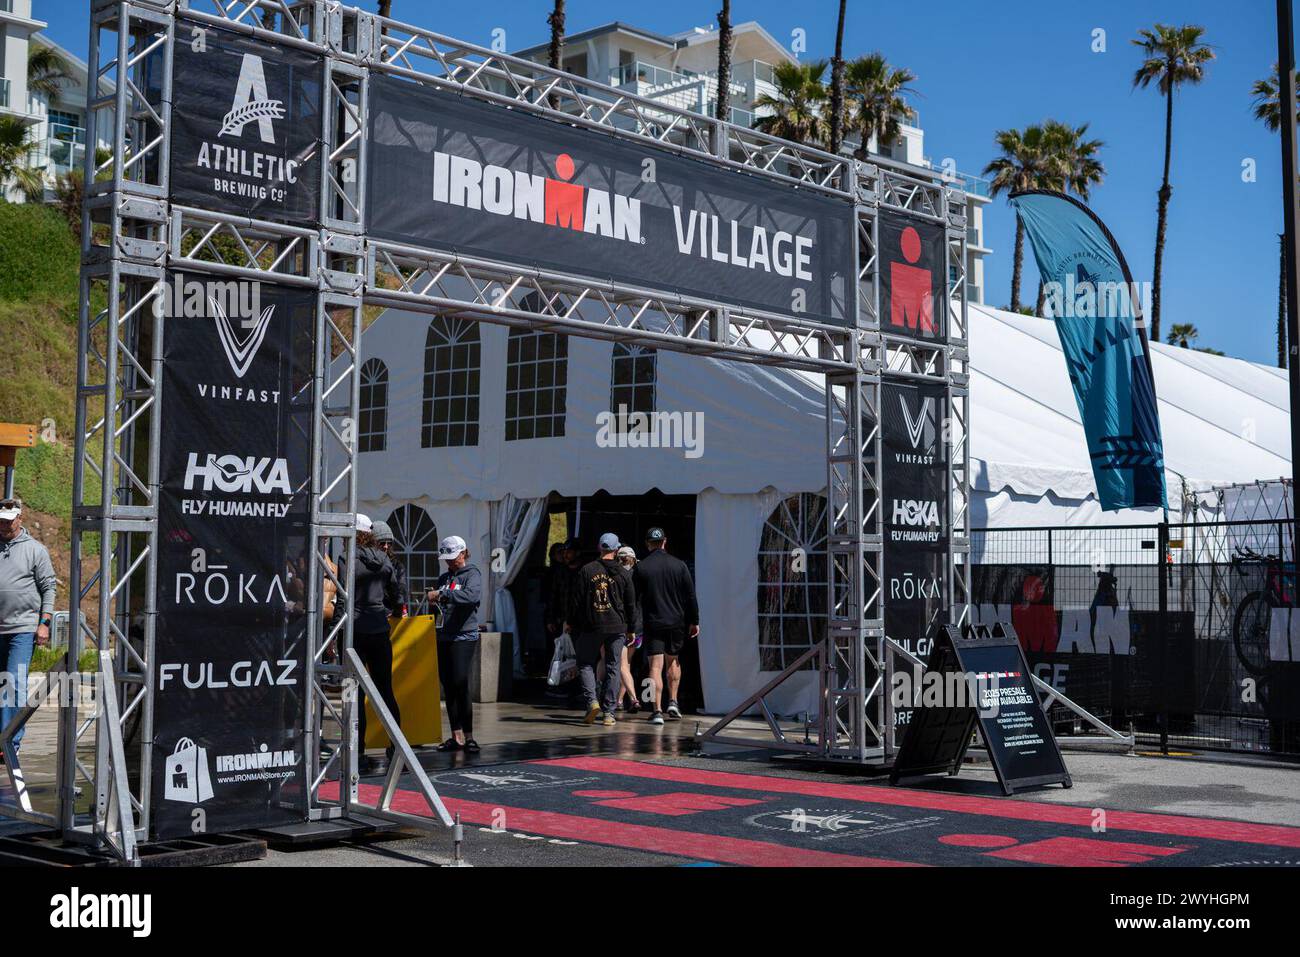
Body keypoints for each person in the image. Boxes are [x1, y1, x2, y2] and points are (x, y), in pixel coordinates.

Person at [341, 514, 400, 775]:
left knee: (354, 694)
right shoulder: (385, 559)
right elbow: (397, 594)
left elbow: (344, 599)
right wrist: (389, 608)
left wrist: (333, 636)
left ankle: (358, 751)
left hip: (355, 630)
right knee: (385, 691)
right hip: (379, 628)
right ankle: (396, 749)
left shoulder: (347, 558)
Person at [0, 497, 56, 762]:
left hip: (22, 629)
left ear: (19, 518)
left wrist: (43, 623)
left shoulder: (35, 550)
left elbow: (49, 587)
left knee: (13, 681)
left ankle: (11, 741)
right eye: (1, 521)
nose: (4, 525)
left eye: (9, 521)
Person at [568, 532, 635, 727]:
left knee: (585, 663)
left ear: (600, 548)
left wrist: (571, 622)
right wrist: (631, 628)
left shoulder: (587, 570)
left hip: (592, 624)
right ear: (616, 550)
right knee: (613, 666)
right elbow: (630, 603)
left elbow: (577, 601)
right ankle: (609, 713)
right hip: (617, 625)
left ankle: (592, 702)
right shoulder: (623, 572)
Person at [633, 527, 699, 725]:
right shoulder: (679, 566)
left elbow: (634, 599)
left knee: (655, 666)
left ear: (647, 544)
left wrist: (632, 626)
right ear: (664, 542)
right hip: (676, 621)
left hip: (653, 621)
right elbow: (690, 596)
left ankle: (657, 710)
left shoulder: (642, 567)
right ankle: (673, 701)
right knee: (673, 661)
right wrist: (694, 621)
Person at [428, 535, 482, 753]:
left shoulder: (472, 574)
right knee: (449, 685)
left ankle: (469, 736)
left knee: (460, 682)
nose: (450, 562)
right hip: (444, 635)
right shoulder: (444, 578)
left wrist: (442, 595)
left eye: (453, 557)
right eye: (447, 559)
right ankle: (456, 734)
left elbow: (472, 596)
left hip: (464, 635)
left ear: (463, 553)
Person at [614, 545, 642, 714]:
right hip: (638, 626)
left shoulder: (616, 576)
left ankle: (631, 698)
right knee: (627, 664)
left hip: (623, 625)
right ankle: (619, 700)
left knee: (622, 665)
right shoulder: (638, 576)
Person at [373, 520, 408, 619]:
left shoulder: (397, 565)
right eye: (382, 543)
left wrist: (399, 611)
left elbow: (401, 591)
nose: (386, 546)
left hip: (392, 615)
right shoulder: (365, 564)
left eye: (389, 543)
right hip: (373, 616)